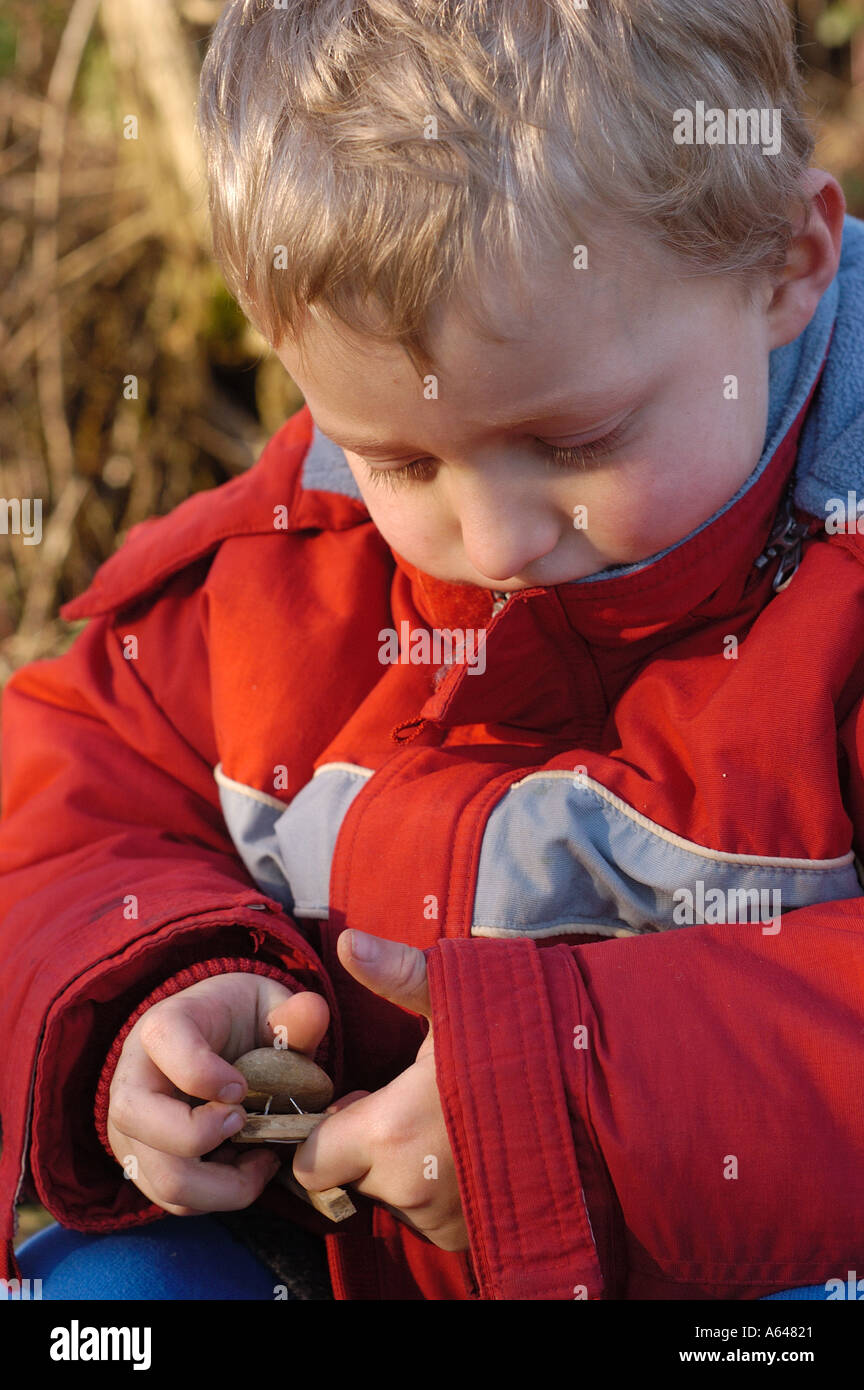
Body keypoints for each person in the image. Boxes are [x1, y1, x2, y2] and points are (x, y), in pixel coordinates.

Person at [4, 0, 864, 1302]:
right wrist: (150, 992)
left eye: (576, 443)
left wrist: (567, 1107)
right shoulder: (286, 565)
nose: (497, 538)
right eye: (400, 458)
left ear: (788, 267)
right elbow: (68, 799)